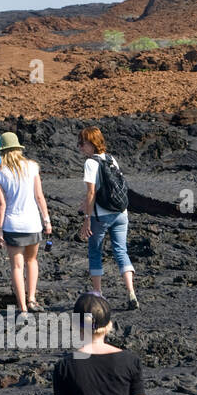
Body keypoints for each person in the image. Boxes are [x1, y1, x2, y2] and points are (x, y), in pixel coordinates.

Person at [0, 132, 52, 313]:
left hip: (12, 225)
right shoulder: (32, 167)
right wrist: (47, 220)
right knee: (32, 261)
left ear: (2, 151)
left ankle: (23, 307)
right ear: (18, 149)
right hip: (33, 223)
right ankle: (32, 299)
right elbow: (39, 196)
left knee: (17, 267)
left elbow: (1, 205)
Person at [79, 127, 138, 309]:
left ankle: (98, 295)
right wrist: (84, 205)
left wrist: (86, 218)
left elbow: (91, 193)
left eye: (83, 143)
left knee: (95, 251)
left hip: (101, 215)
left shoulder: (91, 163)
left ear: (92, 144)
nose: (80, 147)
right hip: (121, 213)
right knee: (121, 251)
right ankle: (131, 292)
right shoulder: (112, 159)